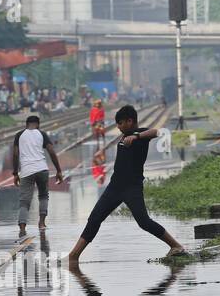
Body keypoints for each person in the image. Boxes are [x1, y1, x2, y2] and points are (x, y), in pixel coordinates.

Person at [66, 105, 187, 265]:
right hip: (115, 187)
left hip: (132, 188)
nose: (118, 127)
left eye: (121, 123)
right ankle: (74, 255)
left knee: (144, 222)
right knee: (95, 218)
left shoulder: (140, 134)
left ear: (130, 121)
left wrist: (136, 137)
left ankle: (176, 246)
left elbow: (158, 132)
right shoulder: (124, 136)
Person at [11, 115, 65, 238]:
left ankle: (23, 227)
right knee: (43, 196)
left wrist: (15, 173)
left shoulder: (19, 135)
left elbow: (15, 154)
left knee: (24, 201)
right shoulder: (42, 134)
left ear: (26, 124)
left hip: (26, 171)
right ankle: (41, 223)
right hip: (42, 169)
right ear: (38, 124)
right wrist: (59, 171)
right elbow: (51, 151)